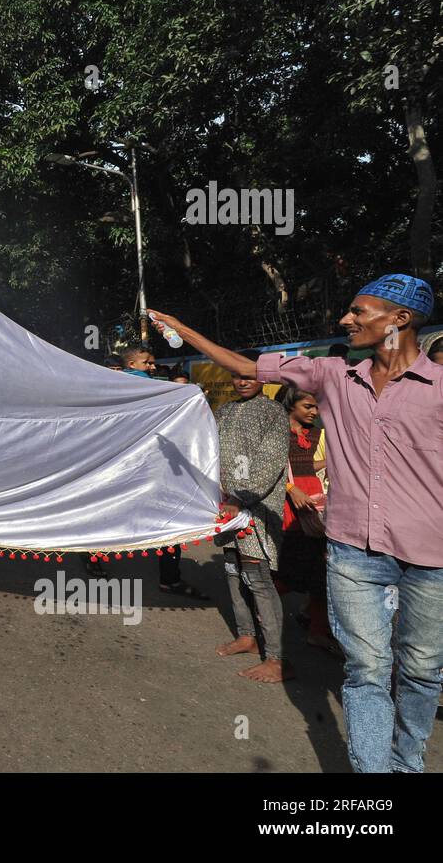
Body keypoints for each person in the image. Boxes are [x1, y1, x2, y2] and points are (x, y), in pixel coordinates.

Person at [151, 273, 443, 772]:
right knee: (367, 670)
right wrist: (183, 328)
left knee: (420, 671)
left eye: (358, 311)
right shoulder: (332, 375)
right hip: (352, 551)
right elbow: (245, 365)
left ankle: (407, 759)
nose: (344, 319)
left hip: (430, 558)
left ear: (400, 320)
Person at [210, 350, 291, 682]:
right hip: (227, 507)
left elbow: (269, 465)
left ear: (264, 377)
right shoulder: (224, 412)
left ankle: (277, 659)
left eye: (248, 375)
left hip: (257, 511)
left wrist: (241, 499)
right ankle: (246, 635)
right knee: (232, 570)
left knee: (259, 581)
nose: (242, 381)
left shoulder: (274, 414)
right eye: (236, 375)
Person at [119, 345, 208, 599]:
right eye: (147, 362)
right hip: (155, 466)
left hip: (127, 465)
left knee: (110, 511)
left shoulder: (116, 386)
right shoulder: (151, 388)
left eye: (152, 362)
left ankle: (92, 557)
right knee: (169, 519)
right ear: (132, 365)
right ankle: (170, 578)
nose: (152, 366)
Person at [275, 386, 337, 654]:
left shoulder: (315, 434)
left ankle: (317, 632)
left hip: (313, 505)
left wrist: (329, 465)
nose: (314, 412)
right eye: (308, 407)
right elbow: (272, 468)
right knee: (288, 570)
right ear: (291, 406)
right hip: (287, 507)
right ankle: (263, 627)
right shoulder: (277, 433)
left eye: (316, 407)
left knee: (322, 573)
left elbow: (306, 466)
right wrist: (291, 489)